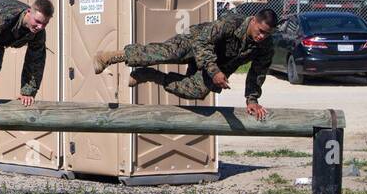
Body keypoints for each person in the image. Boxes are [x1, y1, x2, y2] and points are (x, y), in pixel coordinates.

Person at [93, 8, 277, 120]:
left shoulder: (265, 46)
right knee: (166, 53)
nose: (262, 37)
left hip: (214, 64)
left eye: (266, 34)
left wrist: (252, 100)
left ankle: (149, 75)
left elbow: (258, 73)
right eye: (260, 31)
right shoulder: (231, 23)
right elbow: (203, 43)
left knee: (196, 91)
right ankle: (110, 57)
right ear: (253, 20)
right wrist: (214, 72)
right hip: (195, 42)